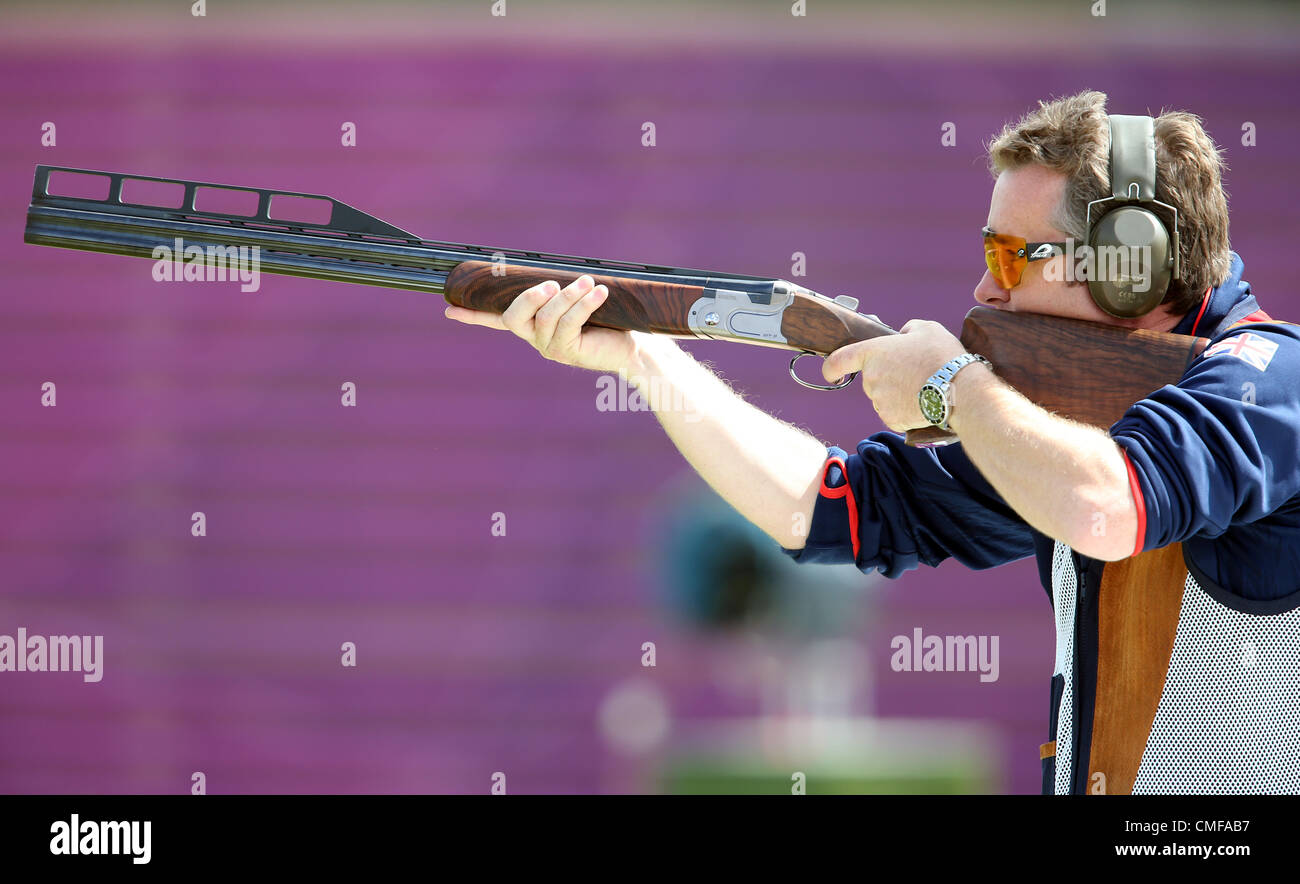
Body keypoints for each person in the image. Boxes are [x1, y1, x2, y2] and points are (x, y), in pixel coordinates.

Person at [445, 90, 1300, 795]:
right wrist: (645, 360)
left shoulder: (1275, 382)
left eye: (1012, 257)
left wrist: (950, 389)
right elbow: (824, 509)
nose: (983, 287)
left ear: (1129, 264)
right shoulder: (1067, 434)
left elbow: (1109, 506)